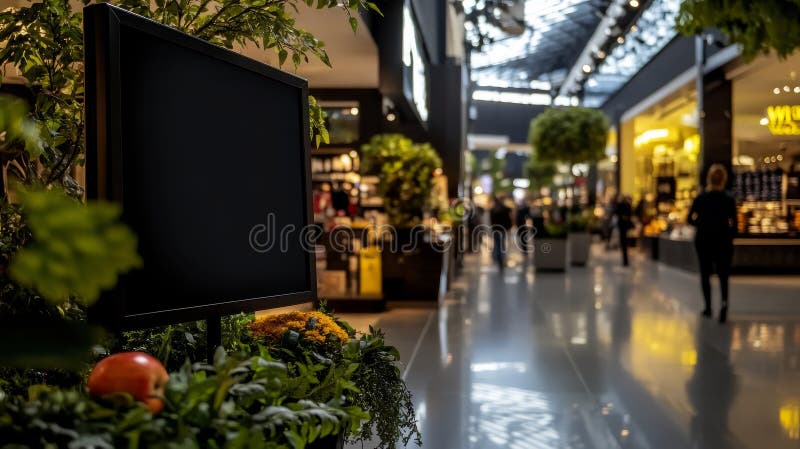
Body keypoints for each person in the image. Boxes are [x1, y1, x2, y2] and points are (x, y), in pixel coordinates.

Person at [687, 164, 737, 323]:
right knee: (723, 275)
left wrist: (702, 224)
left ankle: (708, 307)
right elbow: (734, 223)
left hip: (704, 241)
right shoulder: (728, 199)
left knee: (705, 274)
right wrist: (729, 235)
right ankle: (724, 305)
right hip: (723, 242)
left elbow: (689, 218)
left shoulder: (701, 198)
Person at [489, 195, 512, 270]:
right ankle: (501, 260)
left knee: (497, 245)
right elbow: (508, 219)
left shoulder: (493, 210)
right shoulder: (504, 209)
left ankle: (498, 259)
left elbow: (491, 222)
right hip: (502, 230)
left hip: (496, 230)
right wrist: (508, 227)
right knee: (501, 246)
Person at [614, 195, 633, 266]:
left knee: (624, 242)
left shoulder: (622, 205)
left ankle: (625, 260)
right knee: (624, 242)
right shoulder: (625, 205)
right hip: (624, 227)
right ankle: (625, 260)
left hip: (624, 227)